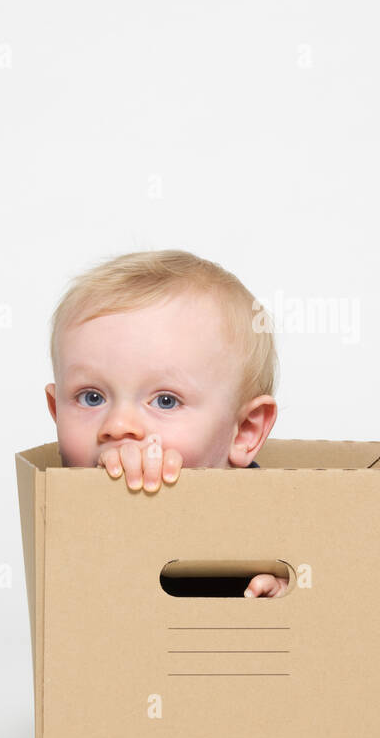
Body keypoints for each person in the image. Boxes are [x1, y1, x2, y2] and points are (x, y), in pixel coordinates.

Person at [44, 248, 286, 598]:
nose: (119, 425)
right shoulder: (61, 509)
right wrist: (117, 508)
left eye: (165, 401)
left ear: (245, 430)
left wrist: (283, 588)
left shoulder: (276, 517)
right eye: (91, 397)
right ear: (56, 410)